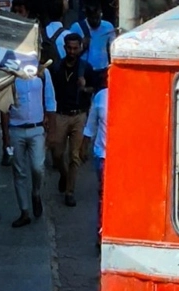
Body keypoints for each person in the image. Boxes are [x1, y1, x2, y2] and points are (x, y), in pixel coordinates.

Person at [1, 64, 56, 228]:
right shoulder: (10, 74)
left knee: (38, 167)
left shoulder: (42, 72)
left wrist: (52, 131)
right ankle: (24, 212)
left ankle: (36, 192)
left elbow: (50, 100)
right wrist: (5, 137)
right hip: (16, 129)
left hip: (37, 128)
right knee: (19, 171)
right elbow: (5, 107)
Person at [48, 32, 94, 206]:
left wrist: (85, 88)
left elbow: (94, 89)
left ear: (80, 48)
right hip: (60, 114)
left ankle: (69, 191)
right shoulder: (57, 68)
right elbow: (49, 93)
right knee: (57, 153)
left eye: (76, 48)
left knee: (74, 156)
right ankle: (64, 176)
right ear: (65, 48)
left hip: (79, 114)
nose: (73, 51)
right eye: (70, 48)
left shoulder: (85, 68)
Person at [81, 65, 106, 241]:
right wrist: (84, 146)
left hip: (121, 157)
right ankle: (101, 230)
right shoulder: (100, 97)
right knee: (103, 194)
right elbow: (91, 124)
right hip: (103, 155)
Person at [70, 3, 114, 73]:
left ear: (101, 14)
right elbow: (70, 52)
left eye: (97, 18)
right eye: (92, 18)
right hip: (84, 71)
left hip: (103, 70)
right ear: (87, 15)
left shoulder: (108, 27)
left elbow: (112, 49)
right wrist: (82, 46)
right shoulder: (76, 27)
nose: (95, 21)